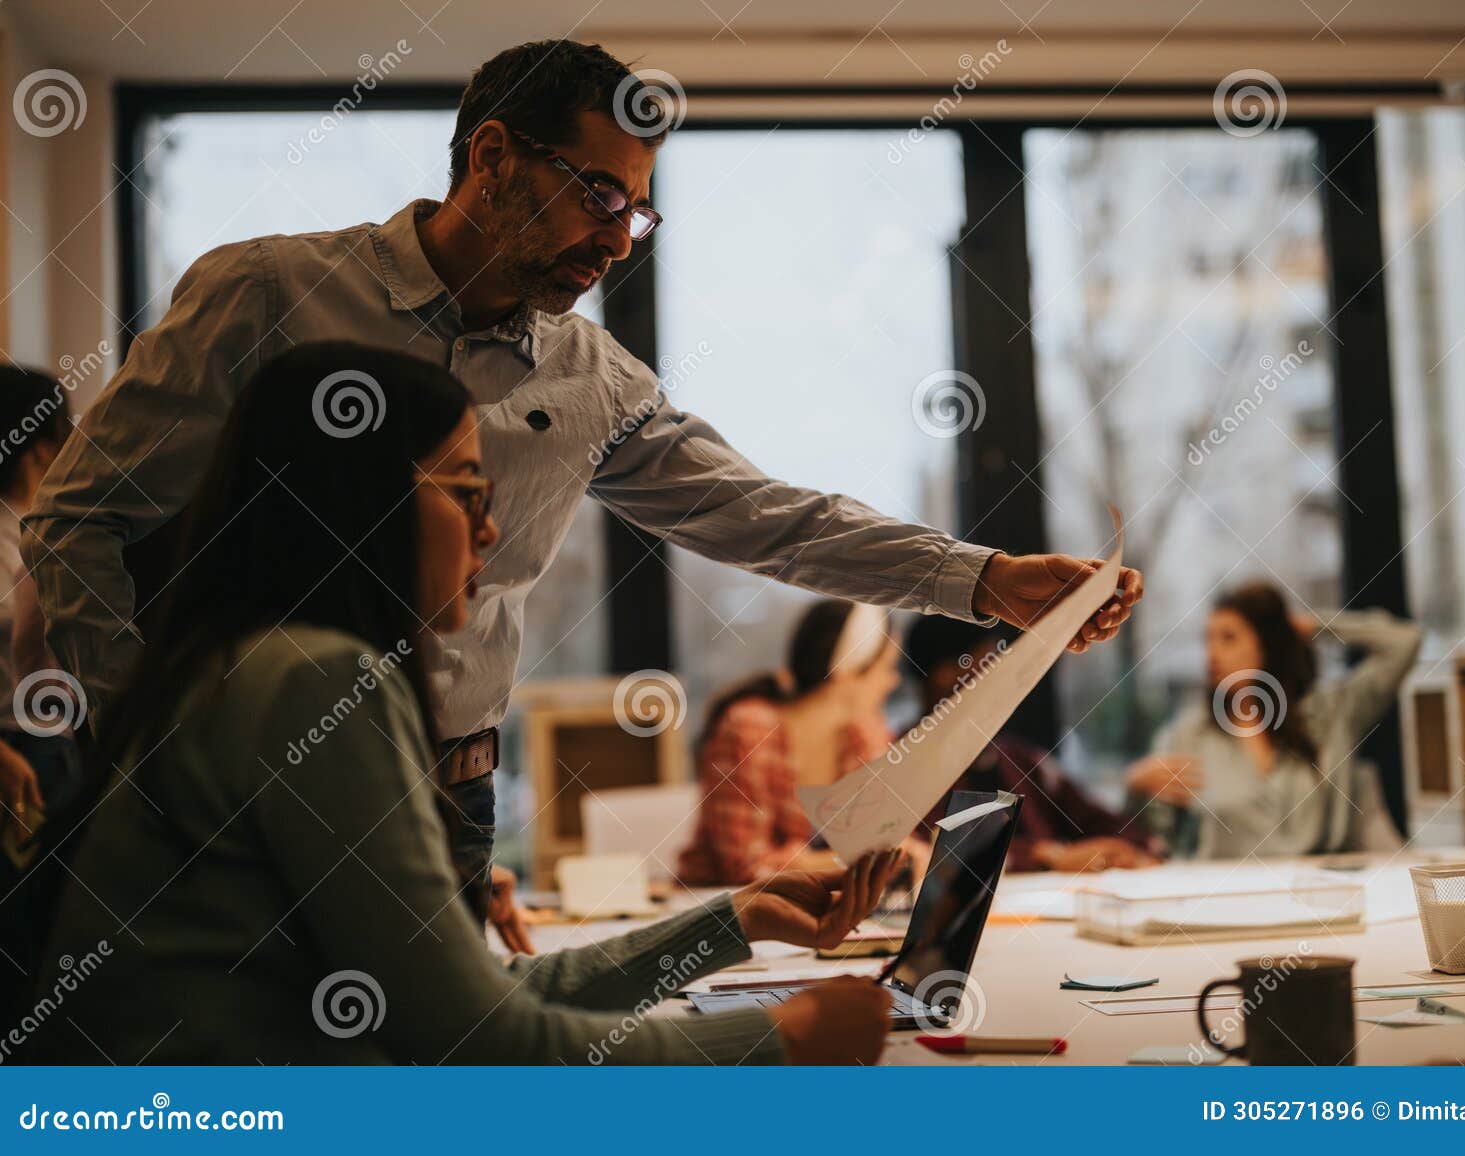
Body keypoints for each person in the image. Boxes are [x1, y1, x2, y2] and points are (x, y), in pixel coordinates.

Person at [22, 38, 1141, 934]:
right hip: (242, 788)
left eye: (637, 213)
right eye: (596, 196)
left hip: (449, 797)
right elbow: (80, 519)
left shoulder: (590, 377)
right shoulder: (265, 294)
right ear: (493, 157)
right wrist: (147, 752)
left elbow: (766, 517)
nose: (617, 242)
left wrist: (985, 580)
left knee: (447, 1083)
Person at [27, 342, 904, 1065]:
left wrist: (735, 918)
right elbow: (477, 1038)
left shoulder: (237, 666)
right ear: (361, 500)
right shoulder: (313, 681)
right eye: (467, 493)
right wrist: (773, 1041)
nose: (490, 530)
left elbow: (468, 999)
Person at [1124, 581, 1421, 859]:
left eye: (1228, 638)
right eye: (1208, 639)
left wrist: (1315, 625)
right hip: (1222, 899)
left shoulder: (1331, 714)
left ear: (1266, 644)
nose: (1212, 653)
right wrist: (1136, 788)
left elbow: (1404, 641)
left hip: (1316, 893)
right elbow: (1156, 840)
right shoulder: (1189, 734)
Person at [903, 615, 1157, 873]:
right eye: (990, 662)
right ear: (944, 676)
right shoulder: (903, 763)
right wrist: (1048, 856)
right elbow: (933, 850)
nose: (1003, 678)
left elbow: (1094, 818)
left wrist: (1125, 848)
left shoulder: (1016, 757)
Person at [678, 600, 901, 885]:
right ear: (848, 671)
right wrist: (861, 862)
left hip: (818, 907)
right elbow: (745, 868)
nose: (892, 681)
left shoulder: (863, 733)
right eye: (886, 668)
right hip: (722, 911)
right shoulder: (748, 729)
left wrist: (907, 856)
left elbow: (884, 836)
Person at [0, 366, 81, 1019]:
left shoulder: (45, 530)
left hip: (50, 744)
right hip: (16, 754)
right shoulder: (10, 541)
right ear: (41, 447)